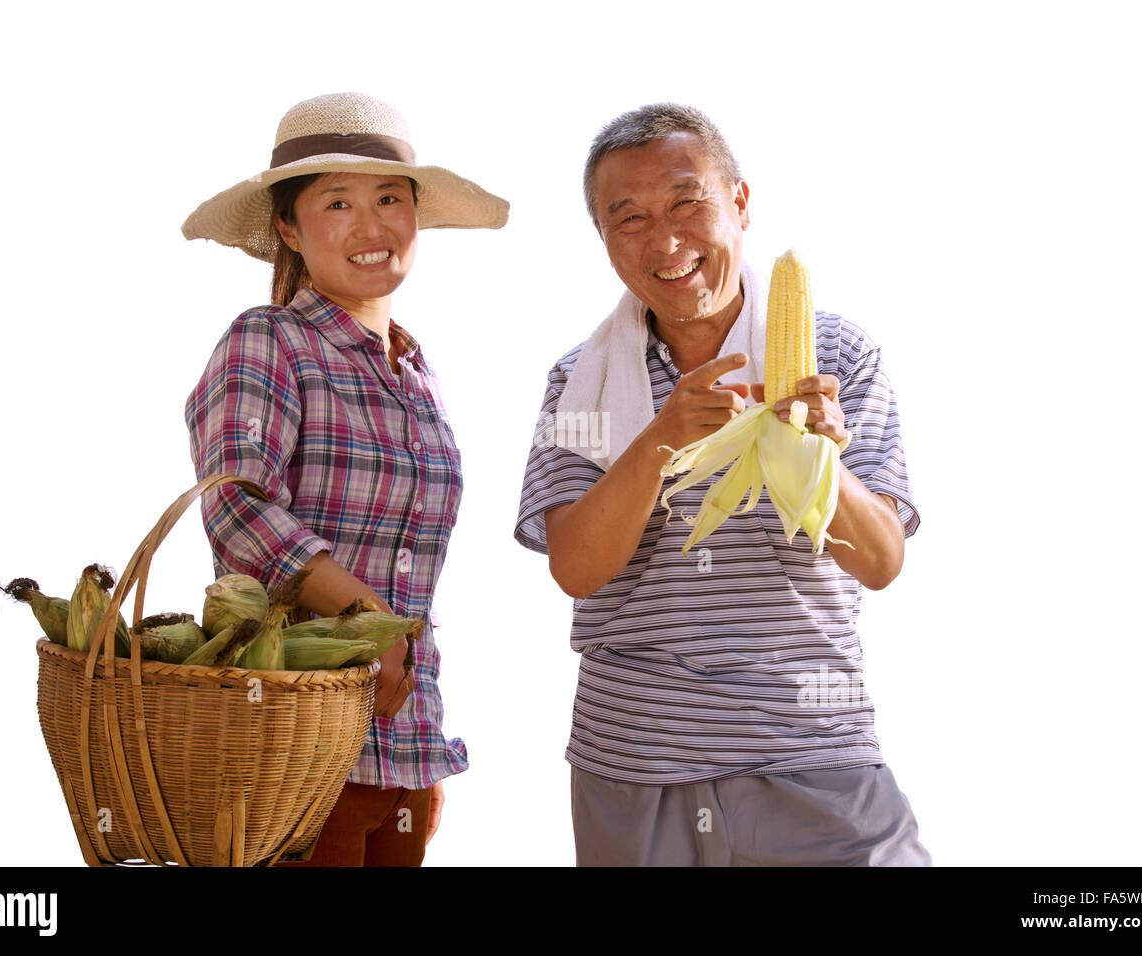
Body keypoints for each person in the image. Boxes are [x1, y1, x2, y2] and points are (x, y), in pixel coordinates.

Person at [513, 103, 931, 866]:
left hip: (816, 751)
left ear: (739, 202)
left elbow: (881, 562)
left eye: (687, 202)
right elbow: (574, 568)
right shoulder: (578, 381)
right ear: (602, 238)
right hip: (636, 762)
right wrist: (662, 436)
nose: (666, 241)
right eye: (629, 217)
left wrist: (820, 456)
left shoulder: (840, 355)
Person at [183, 92, 508, 866]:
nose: (372, 226)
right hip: (293, 744)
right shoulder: (270, 342)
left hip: (403, 748)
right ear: (289, 227)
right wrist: (366, 615)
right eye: (339, 202)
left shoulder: (416, 372)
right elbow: (235, 507)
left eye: (389, 198)